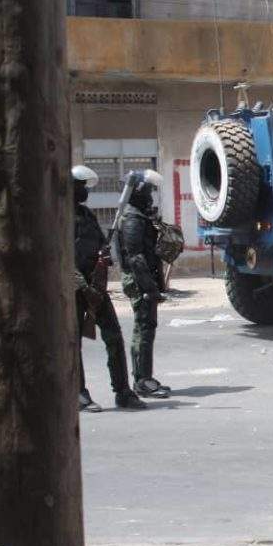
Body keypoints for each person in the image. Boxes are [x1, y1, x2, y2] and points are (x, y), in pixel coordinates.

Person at [72, 165, 146, 412]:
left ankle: (123, 391)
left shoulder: (86, 215)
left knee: (113, 336)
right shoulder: (58, 219)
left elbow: (100, 245)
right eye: (80, 187)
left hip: (97, 286)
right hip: (74, 289)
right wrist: (84, 287)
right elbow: (62, 259)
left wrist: (104, 255)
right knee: (73, 344)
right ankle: (79, 393)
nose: (84, 192)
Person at [119, 169, 172, 399]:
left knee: (146, 327)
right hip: (140, 281)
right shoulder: (132, 219)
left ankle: (144, 376)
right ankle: (142, 380)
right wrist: (149, 287)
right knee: (143, 328)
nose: (151, 195)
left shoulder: (139, 216)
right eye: (148, 191)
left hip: (144, 279)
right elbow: (135, 257)